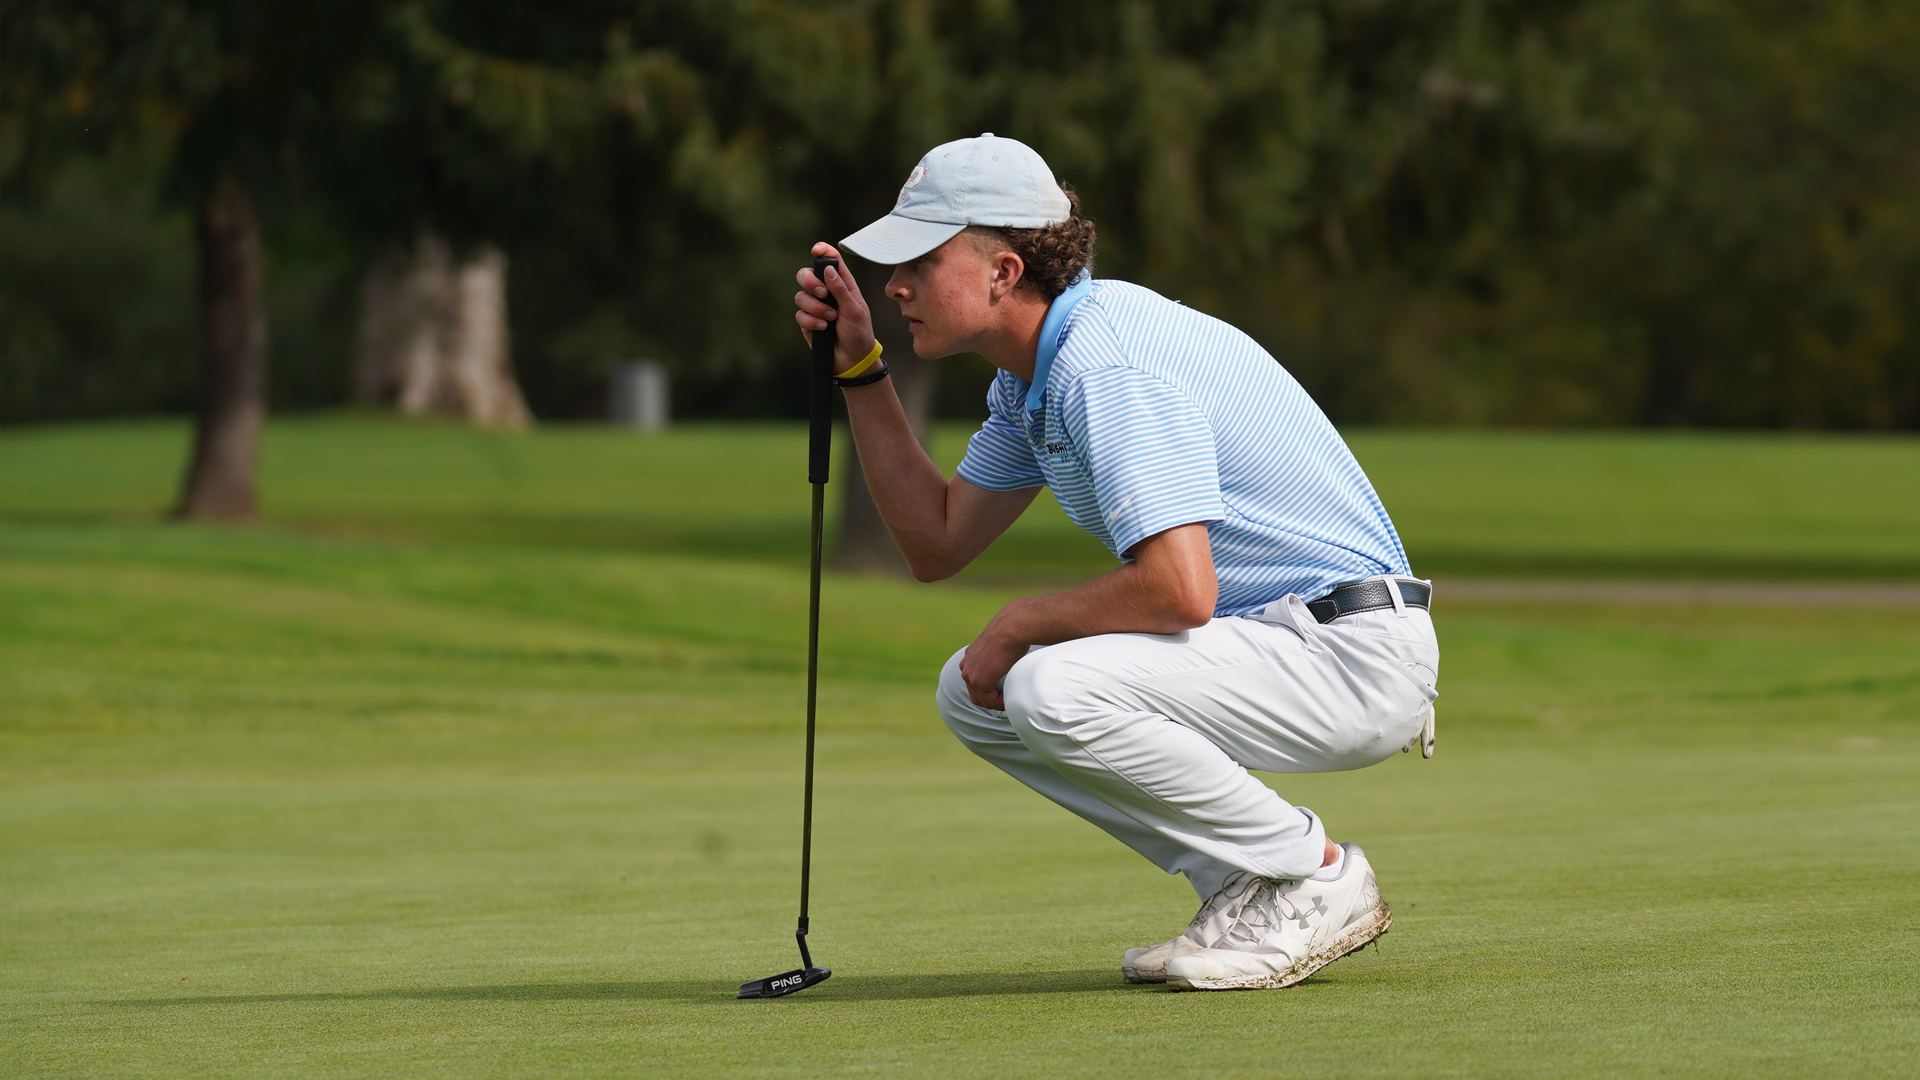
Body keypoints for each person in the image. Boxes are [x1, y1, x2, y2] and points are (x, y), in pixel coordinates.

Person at [791, 134, 1438, 991]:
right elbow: (937, 541)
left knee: (1045, 682)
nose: (897, 283)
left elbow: (1179, 590)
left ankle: (1314, 874)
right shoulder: (1037, 374)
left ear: (1004, 272)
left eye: (922, 257)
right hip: (1290, 643)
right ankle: (1247, 884)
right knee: (973, 691)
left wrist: (1022, 620)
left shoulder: (1105, 364)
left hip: (1351, 653)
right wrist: (862, 371)